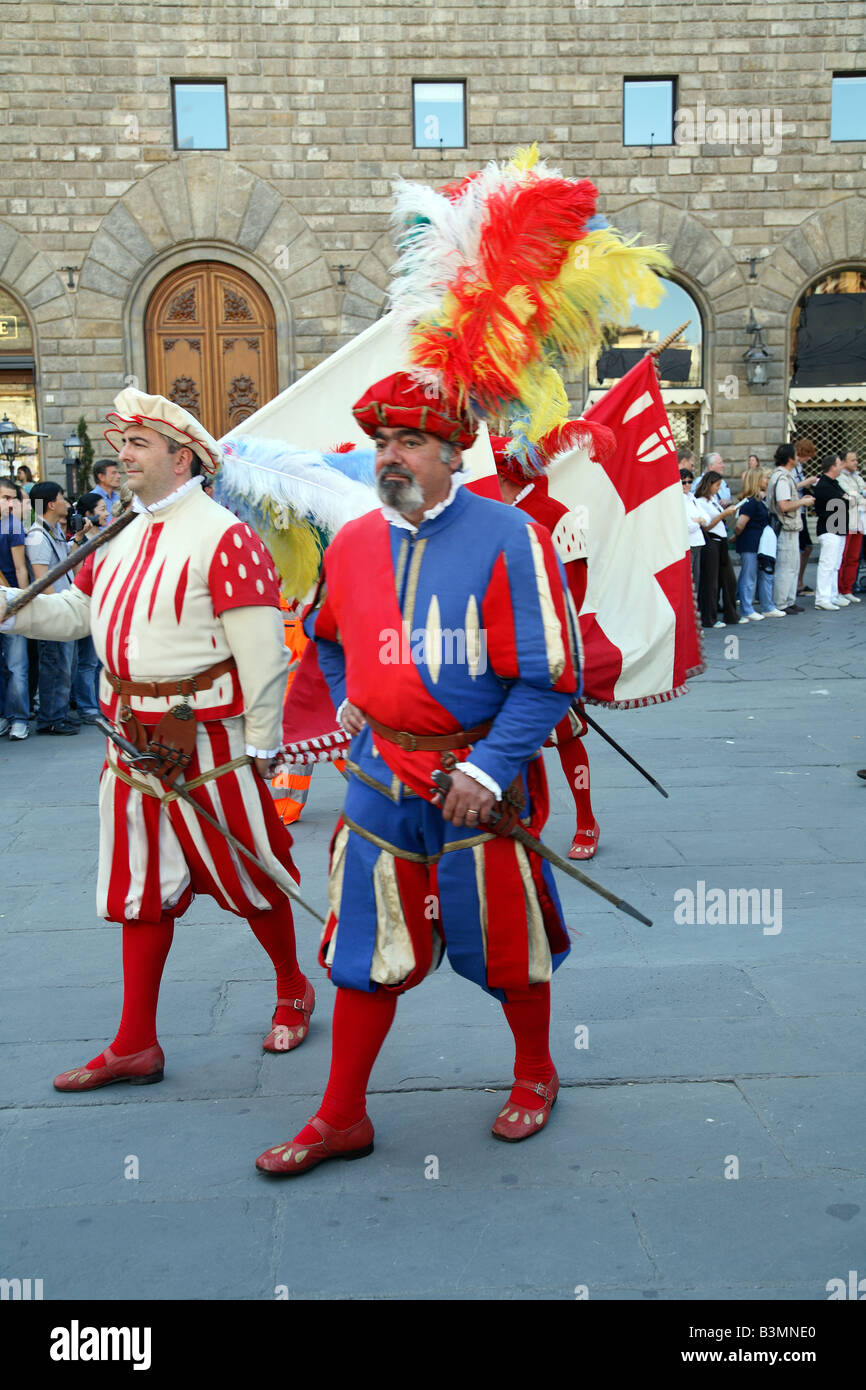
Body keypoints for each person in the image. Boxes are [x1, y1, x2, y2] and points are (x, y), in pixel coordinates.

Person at [255, 371, 579, 1177]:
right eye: (381, 445)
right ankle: (341, 1117)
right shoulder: (356, 540)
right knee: (363, 950)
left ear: (451, 454)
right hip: (375, 785)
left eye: (407, 444)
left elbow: (550, 675)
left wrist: (489, 770)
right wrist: (348, 700)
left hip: (478, 791)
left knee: (506, 940)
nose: (389, 460)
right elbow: (326, 636)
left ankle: (537, 1071)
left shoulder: (512, 538)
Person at [0, 389, 313, 1091]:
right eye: (124, 443)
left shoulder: (226, 537)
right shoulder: (117, 535)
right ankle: (134, 1043)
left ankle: (293, 987)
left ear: (184, 458)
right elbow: (79, 612)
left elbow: (265, 655)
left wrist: (262, 745)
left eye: (140, 443)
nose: (123, 454)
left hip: (209, 744)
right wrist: (10, 610)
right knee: (138, 890)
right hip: (130, 743)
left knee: (249, 875)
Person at [468, 430, 601, 859]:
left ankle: (586, 820)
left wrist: (546, 644)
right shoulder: (481, 514)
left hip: (546, 650)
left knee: (565, 736)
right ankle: (522, 821)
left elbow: (573, 591)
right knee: (503, 741)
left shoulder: (554, 515)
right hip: (488, 655)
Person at [25, 481, 79, 735]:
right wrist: (61, 608)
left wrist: (77, 540)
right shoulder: (37, 535)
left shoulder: (55, 530)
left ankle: (58, 714)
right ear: (50, 504)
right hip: (54, 610)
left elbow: (67, 562)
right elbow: (41, 578)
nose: (67, 503)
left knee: (64, 665)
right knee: (55, 665)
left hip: (62, 605)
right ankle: (51, 718)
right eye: (62, 497)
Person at [68, 491, 109, 723]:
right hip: (87, 603)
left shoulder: (105, 535)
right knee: (88, 661)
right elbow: (76, 572)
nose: (106, 513)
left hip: (103, 604)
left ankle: (98, 703)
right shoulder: (80, 540)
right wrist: (79, 538)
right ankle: (87, 707)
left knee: (98, 660)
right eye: (102, 509)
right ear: (88, 514)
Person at [766, 443, 813, 615]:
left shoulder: (785, 476)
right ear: (789, 458)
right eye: (795, 455)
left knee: (793, 565)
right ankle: (781, 602)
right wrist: (803, 502)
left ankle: (789, 600)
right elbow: (784, 505)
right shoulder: (782, 478)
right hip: (785, 527)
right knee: (785, 566)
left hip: (791, 527)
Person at [0, 478, 31, 739]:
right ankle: (4, 715)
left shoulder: (13, 525)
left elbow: (21, 568)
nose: (10, 503)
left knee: (16, 665)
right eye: (4, 497)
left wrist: (21, 602)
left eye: (13, 498)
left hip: (9, 600)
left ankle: (19, 718)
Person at [733, 468, 785, 620]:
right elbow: (740, 524)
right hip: (750, 543)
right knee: (749, 576)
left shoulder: (759, 501)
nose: (767, 481)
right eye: (764, 478)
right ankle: (747, 609)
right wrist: (736, 536)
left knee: (764, 574)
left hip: (761, 544)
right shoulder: (750, 502)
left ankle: (767, 606)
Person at [694, 471, 739, 627]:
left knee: (729, 580)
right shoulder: (700, 501)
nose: (718, 489)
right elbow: (706, 526)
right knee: (710, 582)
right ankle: (709, 618)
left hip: (721, 541)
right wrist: (723, 514)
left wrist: (725, 510)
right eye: (717, 485)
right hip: (711, 542)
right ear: (709, 484)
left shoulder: (712, 500)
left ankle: (731, 615)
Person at [809, 453, 849, 611]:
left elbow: (846, 498)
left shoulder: (834, 483)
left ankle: (832, 594)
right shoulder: (824, 485)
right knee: (827, 564)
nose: (841, 466)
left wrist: (846, 498)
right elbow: (842, 501)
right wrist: (846, 498)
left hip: (838, 528)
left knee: (835, 564)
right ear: (832, 466)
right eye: (839, 464)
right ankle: (822, 598)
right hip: (829, 528)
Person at [836, 450, 865, 603]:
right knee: (843, 556)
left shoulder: (857, 476)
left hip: (859, 520)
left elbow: (863, 491)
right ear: (844, 462)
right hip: (847, 519)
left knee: (854, 556)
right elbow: (852, 496)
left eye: (856, 460)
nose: (856, 463)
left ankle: (848, 588)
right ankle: (839, 589)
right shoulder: (840, 477)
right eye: (852, 460)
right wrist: (861, 495)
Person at [792, 438, 819, 596]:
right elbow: (789, 486)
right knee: (804, 547)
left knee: (807, 547)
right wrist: (806, 482)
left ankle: (799, 581)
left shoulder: (799, 466)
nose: (809, 459)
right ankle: (796, 583)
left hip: (801, 508)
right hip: (795, 510)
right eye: (807, 455)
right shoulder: (791, 468)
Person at [681, 465, 705, 593]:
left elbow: (705, 517)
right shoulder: (680, 499)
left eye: (689, 482)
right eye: (683, 482)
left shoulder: (692, 498)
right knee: (689, 580)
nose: (687, 485)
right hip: (688, 543)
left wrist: (699, 520)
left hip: (698, 542)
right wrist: (699, 521)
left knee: (696, 578)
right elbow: (688, 526)